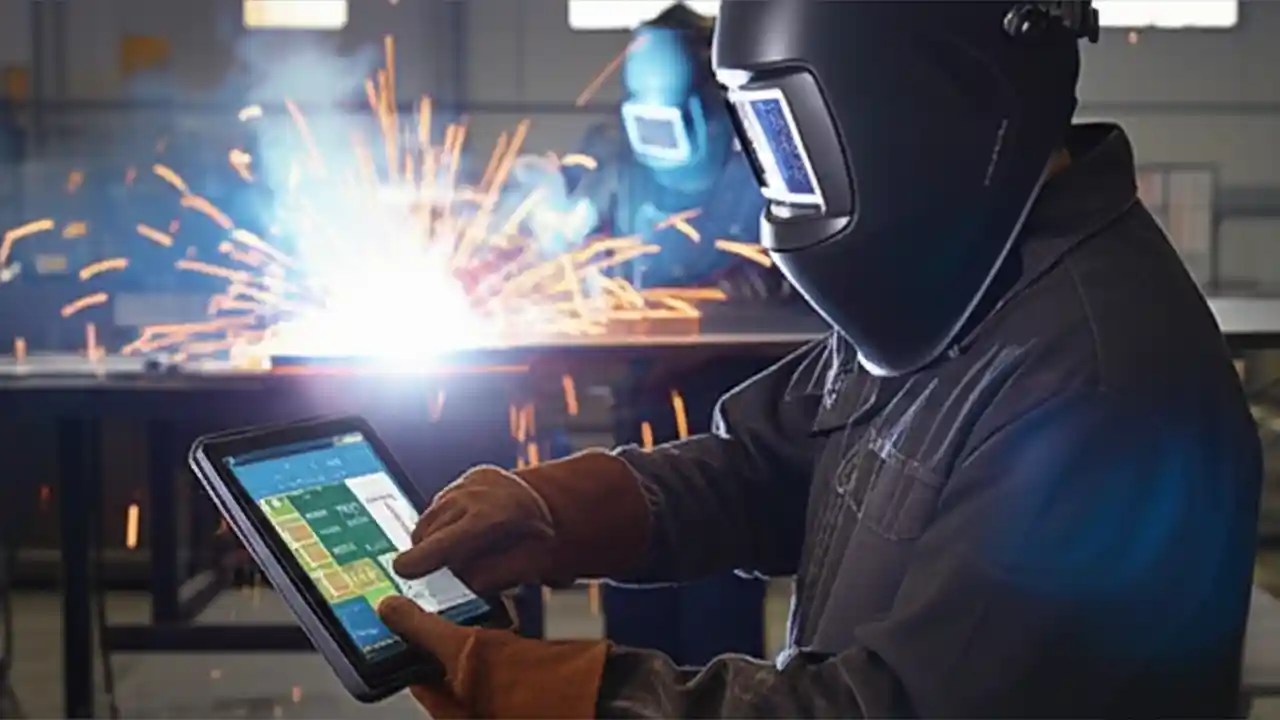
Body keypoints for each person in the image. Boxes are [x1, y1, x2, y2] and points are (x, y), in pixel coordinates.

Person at [376, 1, 1263, 716]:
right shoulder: (960, 275)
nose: (777, 188)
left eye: (788, 136)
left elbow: (892, 711)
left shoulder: (1092, 391)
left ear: (913, 108)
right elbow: (777, 463)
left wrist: (571, 700)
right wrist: (557, 510)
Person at [519, 2, 785, 298]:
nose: (656, 142)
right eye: (645, 119)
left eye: (670, 120)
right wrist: (543, 211)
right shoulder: (610, 154)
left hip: (741, 333)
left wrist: (756, 284)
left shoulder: (767, 169)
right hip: (634, 324)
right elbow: (551, 230)